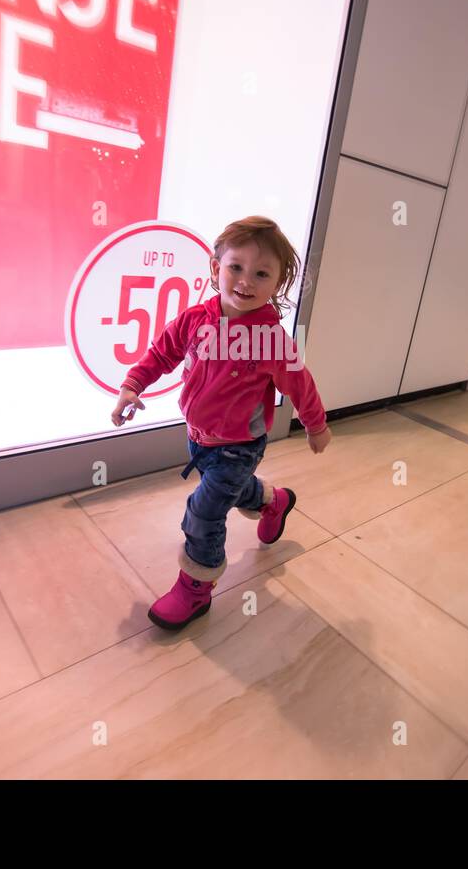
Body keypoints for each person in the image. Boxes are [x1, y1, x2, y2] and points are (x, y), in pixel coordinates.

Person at [110, 216, 331, 630]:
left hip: (240, 446)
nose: (246, 281)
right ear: (216, 269)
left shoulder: (271, 340)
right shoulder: (196, 319)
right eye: (236, 268)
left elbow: (300, 383)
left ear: (277, 284)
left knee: (205, 511)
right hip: (199, 440)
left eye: (261, 273)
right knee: (231, 489)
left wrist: (315, 425)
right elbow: (161, 353)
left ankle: (196, 588)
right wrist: (132, 385)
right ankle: (272, 500)